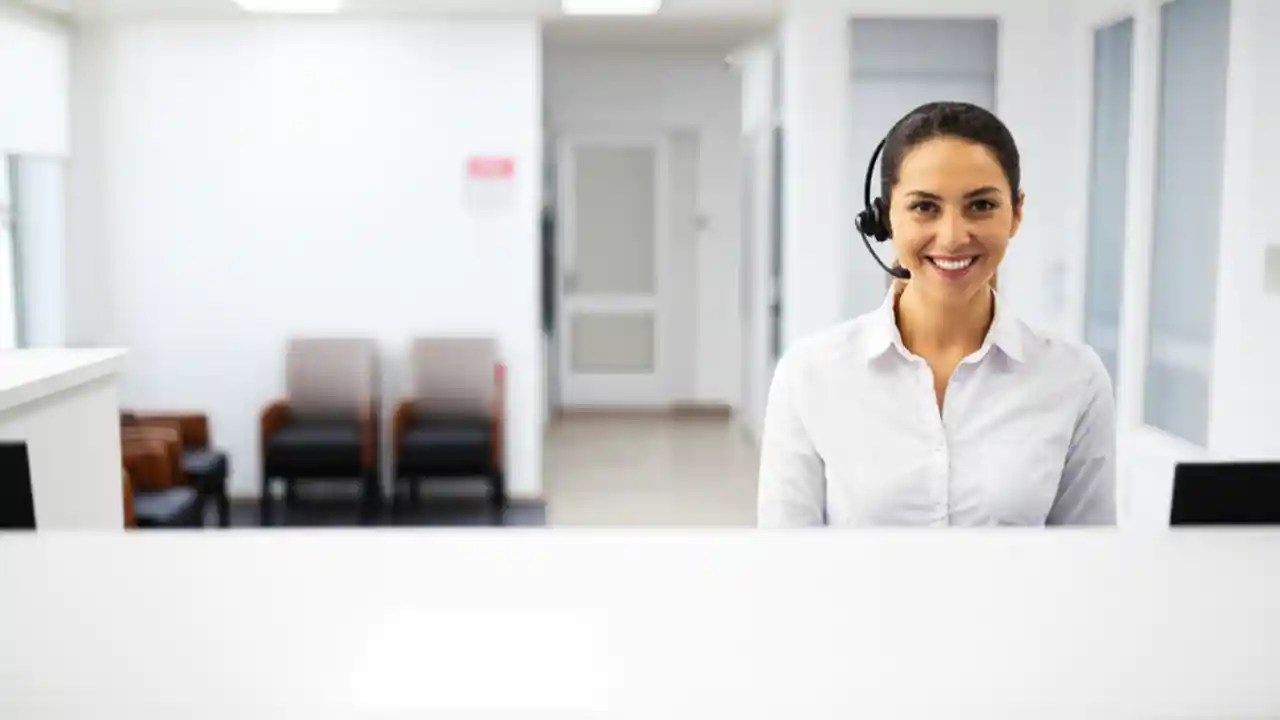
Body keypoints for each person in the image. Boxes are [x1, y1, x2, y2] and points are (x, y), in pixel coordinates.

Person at [757, 101, 1116, 527]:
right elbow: (785, 564)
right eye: (925, 207)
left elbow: (1089, 561)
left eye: (981, 206)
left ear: (1016, 214)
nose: (952, 236)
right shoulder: (810, 374)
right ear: (885, 216)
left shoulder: (1073, 379)